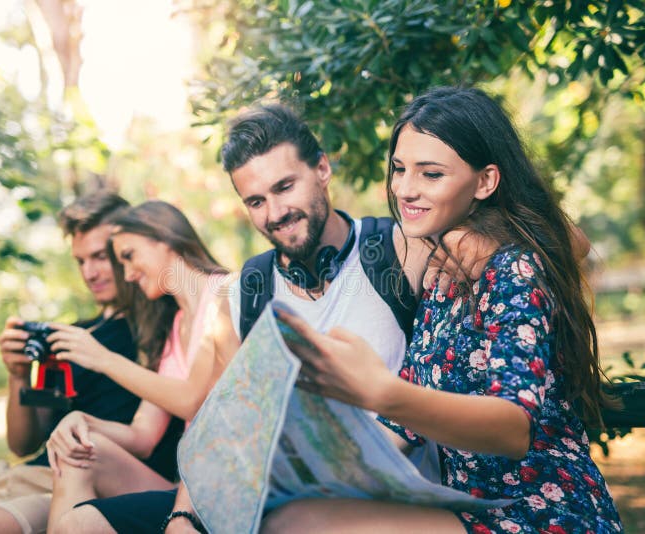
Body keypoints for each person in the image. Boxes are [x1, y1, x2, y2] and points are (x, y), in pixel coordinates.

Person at [267, 86, 623, 533]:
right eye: (399, 169)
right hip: (471, 512)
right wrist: (304, 467)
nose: (405, 189)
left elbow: (514, 429)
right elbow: (401, 427)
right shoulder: (443, 274)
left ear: (486, 181)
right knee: (291, 516)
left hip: (541, 516)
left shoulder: (512, 266)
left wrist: (381, 390)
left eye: (430, 174)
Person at [0, 192, 180, 534]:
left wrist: (103, 359)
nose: (89, 272)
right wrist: (18, 376)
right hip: (17, 478)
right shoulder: (74, 334)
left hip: (74, 482)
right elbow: (23, 443)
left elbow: (147, 435)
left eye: (100, 256)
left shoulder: (160, 327)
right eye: (80, 261)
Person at [45, 201, 238, 534]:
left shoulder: (225, 294)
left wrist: (103, 359)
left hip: (221, 483)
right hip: (186, 487)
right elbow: (143, 436)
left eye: (129, 256)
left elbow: (192, 398)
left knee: (78, 524)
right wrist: (82, 421)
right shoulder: (176, 325)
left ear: (163, 238)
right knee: (77, 452)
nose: (129, 275)